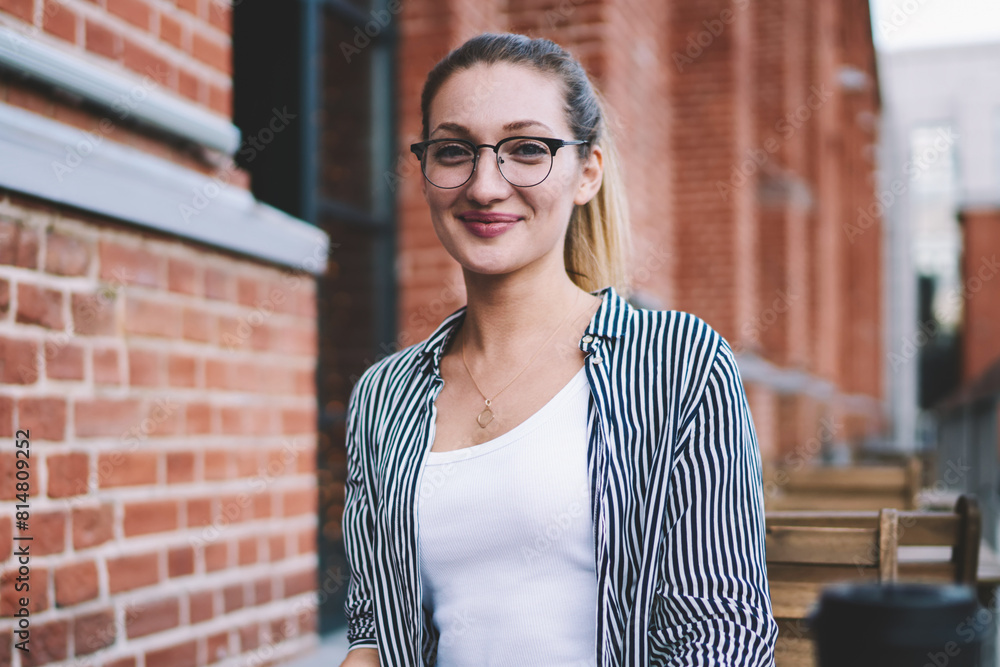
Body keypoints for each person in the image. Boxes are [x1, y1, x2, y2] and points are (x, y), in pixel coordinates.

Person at [339, 31, 777, 667]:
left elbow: (720, 637)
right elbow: (376, 629)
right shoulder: (384, 396)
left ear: (586, 173)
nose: (485, 186)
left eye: (526, 149)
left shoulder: (678, 364)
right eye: (454, 151)